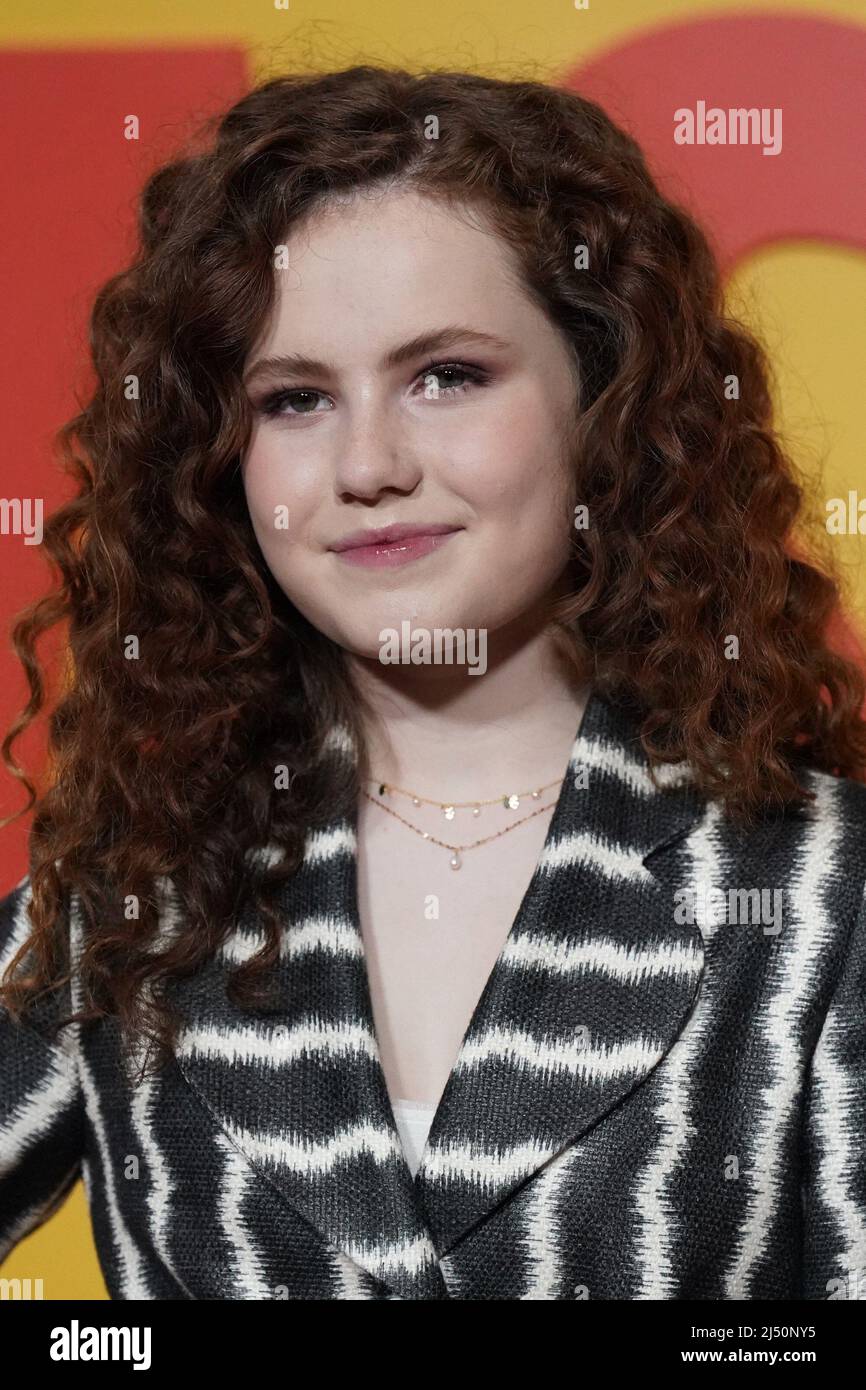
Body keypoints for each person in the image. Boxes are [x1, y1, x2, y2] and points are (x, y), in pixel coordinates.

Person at [1, 64, 865, 1301]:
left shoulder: (822, 895)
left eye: (446, 376)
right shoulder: (128, 893)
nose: (366, 464)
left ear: (602, 403)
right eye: (293, 399)